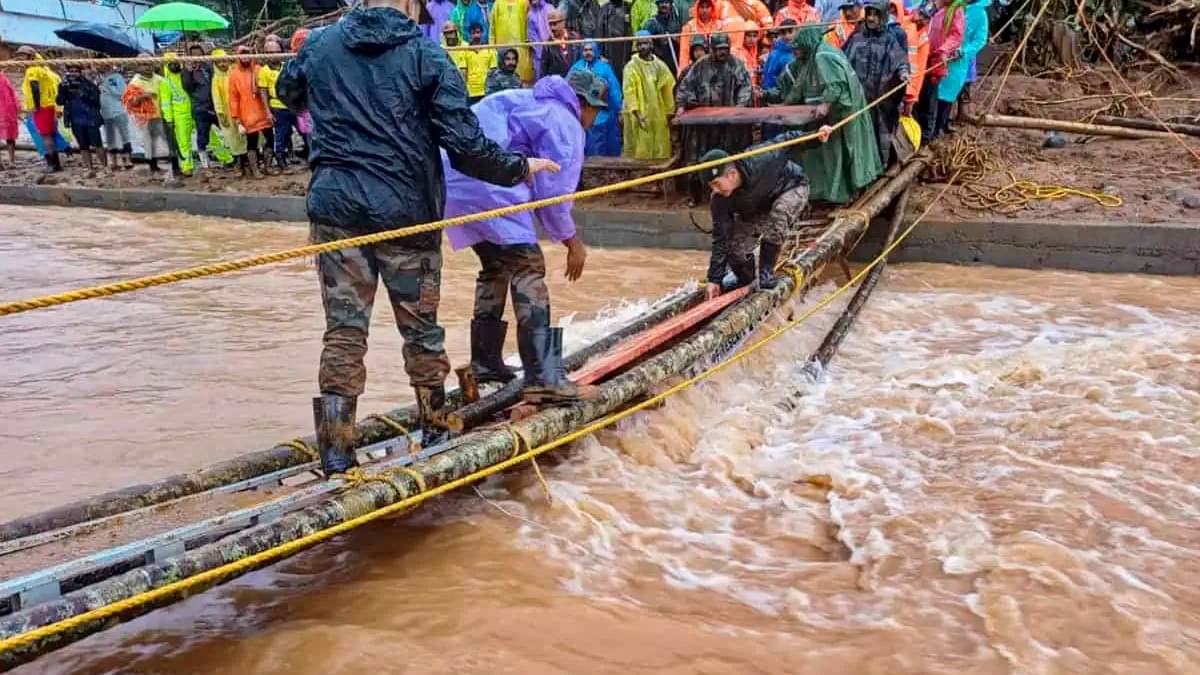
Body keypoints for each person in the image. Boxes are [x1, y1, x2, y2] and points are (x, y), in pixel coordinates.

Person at [276, 0, 559, 475]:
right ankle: (435, 433)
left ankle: (337, 456)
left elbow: (287, 91)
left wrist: (334, 109)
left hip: (336, 209)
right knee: (421, 331)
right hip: (406, 214)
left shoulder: (319, 45)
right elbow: (466, 147)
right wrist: (518, 167)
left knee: (343, 333)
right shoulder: (427, 56)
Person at [444, 70, 607, 403]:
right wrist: (572, 242)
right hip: (490, 183)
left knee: (495, 265)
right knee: (528, 267)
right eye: (596, 110)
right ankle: (542, 376)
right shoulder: (565, 122)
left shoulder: (528, 100)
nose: (594, 119)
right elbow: (554, 196)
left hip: (453, 180)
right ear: (584, 104)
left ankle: (485, 362)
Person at [699, 127, 830, 298]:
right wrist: (714, 279)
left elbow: (787, 140)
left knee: (779, 215)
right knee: (734, 248)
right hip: (757, 205)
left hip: (790, 188)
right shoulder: (719, 199)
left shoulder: (761, 159)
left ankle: (766, 272)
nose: (715, 190)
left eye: (717, 184)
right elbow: (721, 237)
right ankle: (746, 280)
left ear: (731, 174)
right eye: (711, 186)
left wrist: (816, 137)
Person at [765, 25, 881, 203]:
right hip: (846, 107)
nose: (796, 52)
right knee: (845, 149)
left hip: (843, 111)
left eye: (799, 48)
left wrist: (825, 105)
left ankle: (842, 191)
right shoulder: (821, 52)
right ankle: (850, 187)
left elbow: (835, 84)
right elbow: (799, 87)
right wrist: (783, 104)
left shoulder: (822, 56)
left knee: (843, 150)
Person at [675, 32, 752, 201]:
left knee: (728, 156)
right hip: (703, 123)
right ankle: (695, 195)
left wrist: (739, 108)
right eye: (718, 49)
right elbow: (685, 86)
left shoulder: (736, 65)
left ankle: (730, 193)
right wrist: (682, 105)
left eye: (725, 49)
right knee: (698, 157)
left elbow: (745, 88)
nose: (722, 52)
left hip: (727, 123)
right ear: (712, 49)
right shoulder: (700, 65)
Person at [840, 0, 908, 164]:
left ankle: (879, 166)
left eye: (875, 15)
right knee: (856, 135)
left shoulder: (889, 40)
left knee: (878, 134)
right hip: (857, 100)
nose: (871, 18)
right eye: (869, 14)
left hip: (878, 102)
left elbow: (900, 61)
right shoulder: (856, 37)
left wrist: (904, 73)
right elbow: (841, 59)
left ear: (883, 16)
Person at [123, 58, 179, 185]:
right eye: (144, 64)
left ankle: (176, 168)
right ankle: (153, 168)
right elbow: (129, 102)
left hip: (164, 115)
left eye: (149, 63)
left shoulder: (159, 79)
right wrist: (144, 96)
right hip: (146, 117)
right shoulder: (135, 82)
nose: (147, 66)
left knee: (171, 141)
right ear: (138, 67)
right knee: (150, 144)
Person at [936, 0, 987, 132]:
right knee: (932, 94)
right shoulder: (949, 6)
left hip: (957, 60)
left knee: (947, 95)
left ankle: (940, 127)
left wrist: (963, 51)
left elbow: (979, 40)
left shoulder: (980, 14)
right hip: (938, 55)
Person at [623, 31, 675, 160]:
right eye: (639, 44)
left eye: (645, 43)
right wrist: (637, 114)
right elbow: (629, 92)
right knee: (640, 150)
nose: (642, 47)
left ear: (651, 44)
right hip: (639, 115)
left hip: (658, 114)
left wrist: (669, 113)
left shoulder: (660, 66)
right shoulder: (631, 67)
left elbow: (668, 89)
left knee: (660, 148)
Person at [228, 45, 275, 178]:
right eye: (242, 54)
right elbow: (233, 98)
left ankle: (268, 166)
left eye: (247, 53)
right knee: (252, 142)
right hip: (247, 115)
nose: (245, 57)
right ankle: (255, 169)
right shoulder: (234, 75)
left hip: (263, 112)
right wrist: (237, 119)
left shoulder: (259, 69)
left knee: (270, 139)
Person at [570, 41, 622, 156]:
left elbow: (614, 89)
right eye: (585, 50)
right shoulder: (576, 67)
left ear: (596, 51)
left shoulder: (604, 68)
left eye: (591, 50)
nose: (588, 53)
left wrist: (618, 108)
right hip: (582, 113)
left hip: (602, 112)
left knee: (602, 145)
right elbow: (567, 88)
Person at [183, 44, 230, 170]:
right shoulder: (188, 71)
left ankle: (233, 159)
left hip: (216, 106)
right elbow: (187, 87)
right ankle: (205, 164)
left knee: (228, 131)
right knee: (202, 137)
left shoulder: (209, 67)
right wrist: (189, 72)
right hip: (201, 108)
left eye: (199, 54)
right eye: (194, 55)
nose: (197, 57)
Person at [17, 46, 62, 173]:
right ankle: (56, 163)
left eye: (22, 55)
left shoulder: (32, 70)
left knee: (45, 136)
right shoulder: (44, 68)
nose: (20, 58)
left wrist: (36, 107)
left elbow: (35, 87)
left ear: (30, 56)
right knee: (50, 134)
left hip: (41, 107)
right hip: (49, 105)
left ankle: (52, 164)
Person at [56, 66, 106, 175]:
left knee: (98, 144)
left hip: (90, 118)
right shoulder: (65, 85)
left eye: (76, 71)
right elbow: (59, 101)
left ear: (80, 72)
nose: (73, 73)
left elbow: (97, 102)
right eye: (71, 71)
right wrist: (62, 90)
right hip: (75, 119)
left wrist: (83, 94)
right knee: (83, 145)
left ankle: (105, 167)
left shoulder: (89, 84)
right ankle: (89, 168)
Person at [565, 0, 631, 78]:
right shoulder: (605, 9)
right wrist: (600, 54)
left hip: (625, 52)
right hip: (608, 53)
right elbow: (598, 33)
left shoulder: (627, 7)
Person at [925, 0, 962, 138]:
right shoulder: (932, 6)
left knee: (931, 100)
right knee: (922, 98)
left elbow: (956, 35)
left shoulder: (956, 10)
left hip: (938, 59)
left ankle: (929, 136)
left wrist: (945, 50)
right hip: (924, 56)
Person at [259, 40, 297, 171]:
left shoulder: (287, 66)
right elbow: (263, 92)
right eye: (270, 52)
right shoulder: (264, 71)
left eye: (277, 51)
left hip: (293, 105)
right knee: (281, 135)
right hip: (278, 107)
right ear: (265, 54)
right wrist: (268, 112)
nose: (274, 55)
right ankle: (281, 161)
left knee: (305, 131)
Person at [211, 48, 250, 175]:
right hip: (227, 113)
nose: (223, 64)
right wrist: (221, 114)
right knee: (232, 138)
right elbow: (216, 98)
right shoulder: (216, 79)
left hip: (242, 110)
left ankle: (248, 162)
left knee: (245, 136)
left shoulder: (234, 73)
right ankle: (238, 164)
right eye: (219, 62)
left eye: (224, 61)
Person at [159, 53, 196, 177]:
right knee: (184, 143)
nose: (174, 65)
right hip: (179, 116)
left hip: (194, 111)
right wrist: (169, 119)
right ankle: (187, 167)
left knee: (211, 136)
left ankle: (227, 158)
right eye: (171, 63)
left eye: (176, 62)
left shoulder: (185, 75)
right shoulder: (165, 82)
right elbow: (166, 103)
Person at [97, 67, 134, 171]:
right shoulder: (97, 78)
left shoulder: (117, 77)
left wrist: (106, 87)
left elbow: (124, 93)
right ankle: (114, 162)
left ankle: (127, 160)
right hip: (106, 113)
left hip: (118, 111)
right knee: (110, 138)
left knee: (124, 136)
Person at [677, 0, 725, 75]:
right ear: (697, 8)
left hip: (717, 66)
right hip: (696, 68)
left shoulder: (721, 25)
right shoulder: (688, 27)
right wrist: (682, 73)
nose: (704, 10)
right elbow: (684, 53)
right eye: (702, 7)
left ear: (712, 8)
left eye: (707, 7)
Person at [490, 0, 533, 84]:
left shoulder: (524, 3)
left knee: (521, 82)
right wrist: (492, 50)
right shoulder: (498, 4)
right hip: (501, 50)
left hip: (521, 52)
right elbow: (492, 30)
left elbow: (530, 28)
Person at [902, 3, 930, 117]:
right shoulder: (902, 22)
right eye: (920, 14)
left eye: (926, 17)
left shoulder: (924, 41)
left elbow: (919, 71)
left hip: (906, 87)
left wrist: (912, 97)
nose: (921, 19)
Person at [462, 22, 497, 103]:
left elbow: (493, 71)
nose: (476, 35)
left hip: (486, 91)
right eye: (473, 33)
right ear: (470, 35)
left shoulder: (490, 49)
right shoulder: (464, 51)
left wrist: (491, 88)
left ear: (482, 33)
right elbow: (463, 72)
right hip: (471, 91)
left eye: (478, 32)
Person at [539, 10, 578, 77]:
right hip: (557, 82)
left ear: (563, 23)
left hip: (575, 80)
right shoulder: (547, 45)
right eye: (550, 24)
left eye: (554, 24)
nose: (552, 28)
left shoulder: (575, 37)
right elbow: (543, 71)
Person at [762, 18, 797, 88]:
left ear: (797, 31)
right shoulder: (776, 54)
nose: (787, 36)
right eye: (784, 33)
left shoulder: (798, 51)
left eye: (790, 32)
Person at [527, 0, 554, 79]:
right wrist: (541, 53)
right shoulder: (530, 14)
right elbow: (532, 37)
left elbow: (554, 30)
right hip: (539, 56)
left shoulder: (550, 8)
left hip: (553, 51)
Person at [0, 73, 18, 170]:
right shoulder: (4, 79)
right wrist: (16, 108)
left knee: (10, 137)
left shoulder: (4, 79)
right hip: (7, 111)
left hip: (6, 111)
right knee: (10, 137)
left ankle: (2, 163)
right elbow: (13, 95)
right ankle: (12, 161)